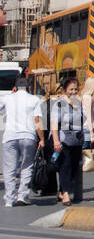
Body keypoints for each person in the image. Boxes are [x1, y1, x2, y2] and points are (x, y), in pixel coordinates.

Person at [3, 77, 46, 207]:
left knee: (10, 168)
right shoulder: (34, 99)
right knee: (26, 166)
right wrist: (42, 139)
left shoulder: (7, 98)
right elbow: (37, 120)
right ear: (28, 88)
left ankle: (9, 199)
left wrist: (11, 96)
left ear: (15, 88)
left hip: (10, 136)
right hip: (28, 136)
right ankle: (22, 195)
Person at [51, 75, 87, 205]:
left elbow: (85, 119)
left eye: (75, 89)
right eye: (71, 89)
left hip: (77, 140)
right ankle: (66, 194)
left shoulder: (79, 103)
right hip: (63, 139)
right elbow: (54, 124)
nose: (74, 92)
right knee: (64, 166)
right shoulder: (59, 104)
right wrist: (56, 141)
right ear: (64, 90)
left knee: (74, 167)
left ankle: (61, 191)